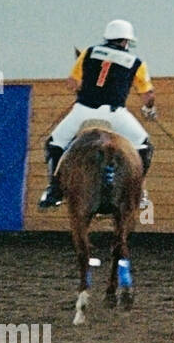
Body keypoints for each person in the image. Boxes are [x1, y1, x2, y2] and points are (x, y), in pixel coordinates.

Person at [40, 19, 156, 209]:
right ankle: (138, 191)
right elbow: (147, 94)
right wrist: (149, 108)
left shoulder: (89, 52)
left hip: (83, 110)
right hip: (115, 114)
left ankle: (54, 190)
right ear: (126, 41)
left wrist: (86, 87)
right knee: (144, 145)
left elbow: (72, 82)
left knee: (54, 143)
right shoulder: (136, 63)